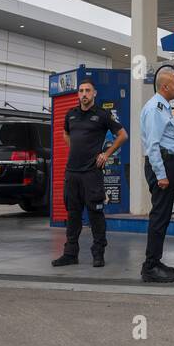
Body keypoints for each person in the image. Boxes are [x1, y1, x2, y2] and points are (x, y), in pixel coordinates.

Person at [52, 79, 126, 269]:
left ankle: (98, 253)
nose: (84, 94)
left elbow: (122, 135)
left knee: (95, 214)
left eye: (87, 91)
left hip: (92, 173)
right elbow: (65, 134)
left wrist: (106, 154)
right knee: (73, 213)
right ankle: (70, 254)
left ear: (94, 94)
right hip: (72, 172)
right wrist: (75, 151)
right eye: (81, 91)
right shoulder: (71, 114)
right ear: (78, 94)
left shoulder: (102, 114)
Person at [140, 68, 174, 283]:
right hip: (162, 164)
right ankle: (150, 266)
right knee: (159, 216)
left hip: (167, 163)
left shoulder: (163, 106)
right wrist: (161, 174)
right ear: (165, 87)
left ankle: (155, 261)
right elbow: (153, 145)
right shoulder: (156, 108)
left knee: (163, 216)